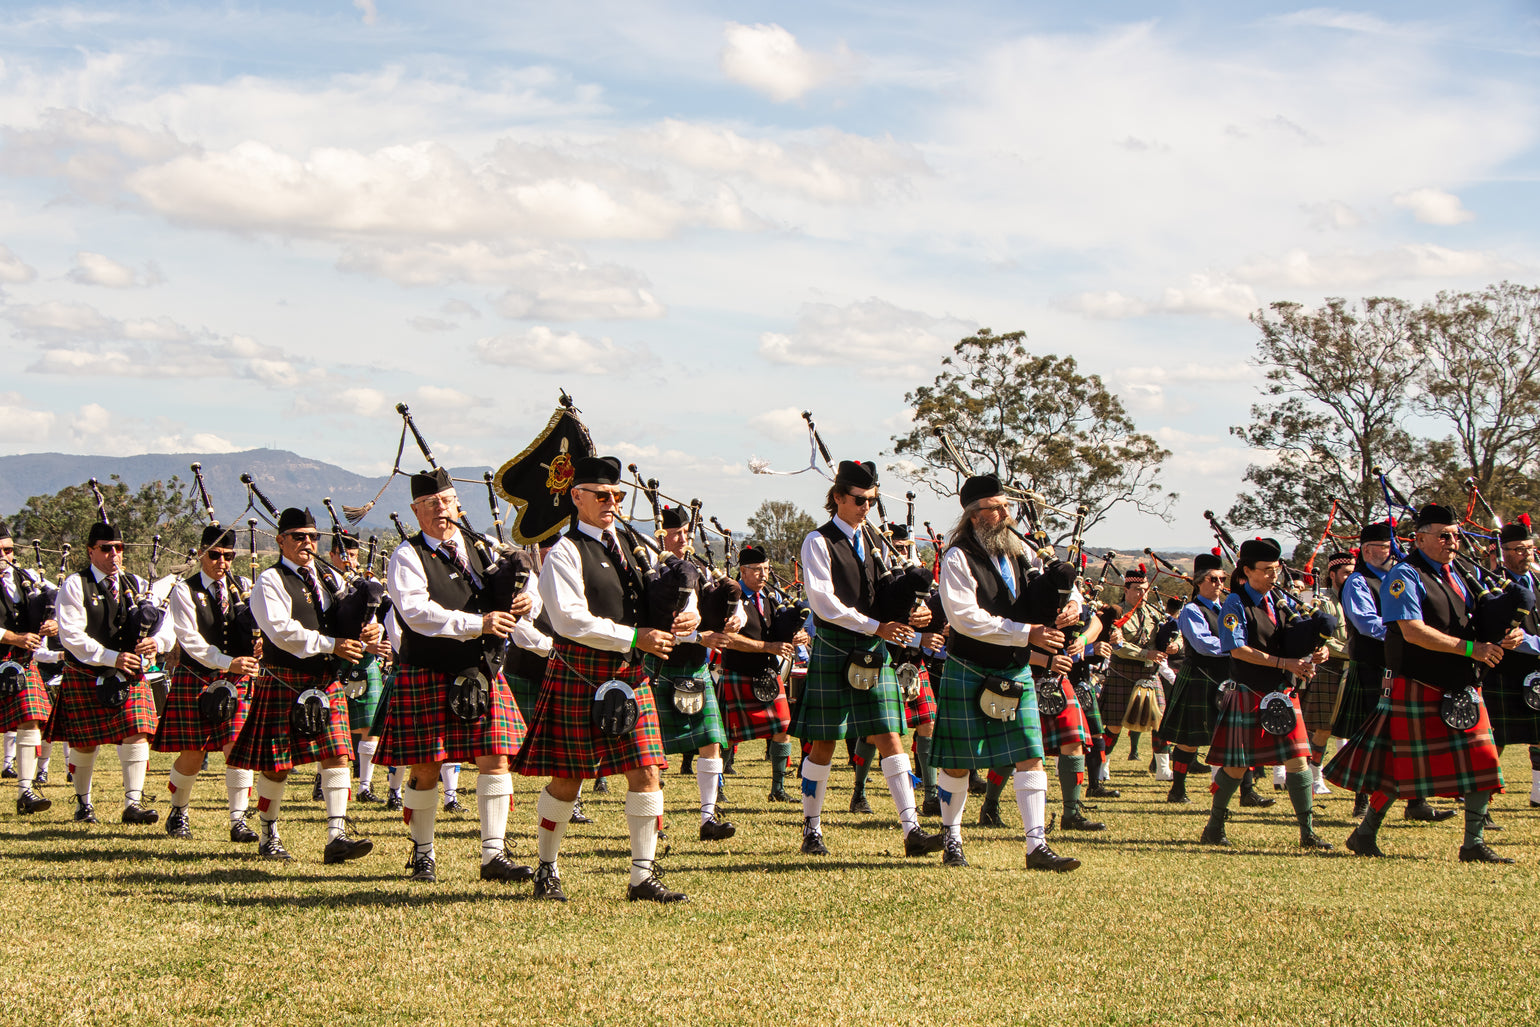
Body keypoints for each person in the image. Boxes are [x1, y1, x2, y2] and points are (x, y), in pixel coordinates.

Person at [512, 456, 690, 902]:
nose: (612, 503)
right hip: (581, 673)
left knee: (647, 772)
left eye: (618, 496)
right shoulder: (566, 552)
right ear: (577, 498)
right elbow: (569, 621)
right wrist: (635, 635)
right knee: (567, 780)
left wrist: (687, 614)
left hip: (629, 675)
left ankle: (642, 877)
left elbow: (666, 593)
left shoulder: (634, 546)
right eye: (603, 495)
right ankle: (547, 868)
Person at [1328, 504, 1518, 863]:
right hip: (1418, 681)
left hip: (1462, 683)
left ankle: (1473, 843)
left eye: (1456, 535)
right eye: (1444, 535)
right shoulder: (1405, 575)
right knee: (1396, 770)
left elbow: (1472, 619)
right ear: (1420, 538)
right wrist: (1471, 649)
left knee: (1484, 760)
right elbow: (1411, 631)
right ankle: (1365, 833)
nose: (1453, 542)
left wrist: (1504, 635)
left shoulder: (1458, 573)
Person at [379, 468, 534, 884]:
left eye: (446, 501)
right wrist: (477, 623)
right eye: (430, 504)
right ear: (416, 511)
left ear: (457, 504)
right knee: (427, 766)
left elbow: (526, 587)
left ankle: (493, 854)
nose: (441, 510)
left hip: (482, 670)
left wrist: (525, 599)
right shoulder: (407, 555)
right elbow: (415, 612)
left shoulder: (482, 547)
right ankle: (423, 853)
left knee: (496, 760)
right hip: (429, 669)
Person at [789, 460, 943, 860]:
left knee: (892, 735)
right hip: (838, 649)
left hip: (874, 654)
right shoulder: (817, 541)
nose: (866, 508)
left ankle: (912, 830)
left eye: (872, 501)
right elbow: (824, 603)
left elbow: (887, 595)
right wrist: (876, 627)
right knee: (823, 744)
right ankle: (812, 828)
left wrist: (915, 612)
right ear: (838, 497)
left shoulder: (875, 541)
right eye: (859, 500)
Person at [930, 474, 1083, 870]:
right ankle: (952, 839)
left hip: (1015, 671)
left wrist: (1073, 606)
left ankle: (1036, 847)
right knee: (959, 762)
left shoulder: (1021, 552)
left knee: (1031, 755)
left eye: (1006, 506)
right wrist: (1026, 633)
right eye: (995, 508)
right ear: (974, 515)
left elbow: (1056, 583)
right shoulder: (958, 557)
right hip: (970, 666)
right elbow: (965, 619)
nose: (1005, 514)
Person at [228, 507, 374, 864]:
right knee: (277, 765)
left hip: (326, 681)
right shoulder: (270, 581)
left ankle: (336, 836)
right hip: (286, 679)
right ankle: (268, 833)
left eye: (313, 537)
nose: (307, 543)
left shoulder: (329, 577)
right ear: (280, 541)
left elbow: (348, 616)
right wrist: (330, 644)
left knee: (339, 754)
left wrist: (371, 630)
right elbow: (281, 631)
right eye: (298, 537)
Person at [1200, 537, 1332, 852]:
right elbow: (1238, 649)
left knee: (1298, 759)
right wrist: (1283, 662)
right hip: (1250, 690)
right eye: (1267, 570)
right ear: (1247, 571)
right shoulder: (1235, 603)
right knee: (1236, 766)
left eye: (1277, 569)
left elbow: (1293, 637)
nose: (1274, 576)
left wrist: (1317, 651)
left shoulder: (1279, 602)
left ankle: (1307, 831)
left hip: (1283, 691)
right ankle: (1214, 826)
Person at [50, 520, 175, 825]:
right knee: (84, 742)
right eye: (106, 549)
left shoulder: (134, 583)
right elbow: (71, 636)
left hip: (131, 673)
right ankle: (83, 804)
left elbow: (167, 625)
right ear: (91, 551)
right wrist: (111, 658)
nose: (114, 554)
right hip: (87, 673)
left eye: (119, 548)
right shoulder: (75, 584)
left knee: (137, 730)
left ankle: (133, 803)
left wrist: (156, 643)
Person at [1333, 522, 1452, 823]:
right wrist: (1406, 632)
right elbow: (1365, 623)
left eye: (1390, 547)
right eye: (1383, 548)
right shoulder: (1358, 582)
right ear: (1366, 550)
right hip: (1372, 665)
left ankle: (1416, 802)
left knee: (1409, 734)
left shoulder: (1404, 578)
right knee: (1370, 735)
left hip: (1402, 665)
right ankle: (1362, 801)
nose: (1389, 553)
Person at [154, 524, 260, 842]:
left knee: (236, 749)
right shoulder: (184, 591)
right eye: (215, 555)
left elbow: (265, 624)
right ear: (201, 553)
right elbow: (191, 642)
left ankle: (238, 820)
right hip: (197, 677)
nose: (221, 562)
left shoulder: (245, 587)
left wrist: (262, 644)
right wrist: (229, 661)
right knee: (192, 756)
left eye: (228, 556)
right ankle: (178, 811)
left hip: (237, 680)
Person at [646, 505, 740, 843]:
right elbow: (657, 620)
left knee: (710, 742)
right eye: (675, 533)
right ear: (660, 534)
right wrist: (700, 636)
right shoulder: (650, 570)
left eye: (685, 532)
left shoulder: (700, 568)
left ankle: (708, 817)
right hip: (659, 665)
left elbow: (719, 604)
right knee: (651, 751)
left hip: (695, 665)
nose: (682, 538)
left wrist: (734, 617)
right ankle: (653, 821)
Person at [711, 545, 805, 803]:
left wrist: (794, 637)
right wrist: (769, 647)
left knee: (783, 728)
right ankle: (717, 788)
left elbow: (775, 634)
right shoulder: (731, 597)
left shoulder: (769, 600)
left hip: (768, 675)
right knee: (726, 737)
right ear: (743, 570)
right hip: (738, 672)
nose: (764, 575)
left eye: (766, 569)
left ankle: (778, 788)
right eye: (757, 570)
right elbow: (728, 639)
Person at [1155, 551, 1228, 804]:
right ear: (1198, 582)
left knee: (1232, 736)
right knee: (1189, 740)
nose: (1219, 584)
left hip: (1226, 678)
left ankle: (1245, 791)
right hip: (1199, 677)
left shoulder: (1228, 608)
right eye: (1213, 579)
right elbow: (1203, 644)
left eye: (1221, 579)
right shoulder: (1191, 611)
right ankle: (1177, 789)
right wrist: (1237, 647)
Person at [323, 531, 388, 804]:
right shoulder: (322, 582)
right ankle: (321, 779)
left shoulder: (367, 584)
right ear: (332, 556)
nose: (349, 559)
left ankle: (364, 786)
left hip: (365, 661)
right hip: (335, 657)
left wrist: (378, 636)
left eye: (352, 555)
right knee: (329, 726)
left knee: (369, 727)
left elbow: (380, 619)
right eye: (343, 555)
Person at [0, 522, 57, 816]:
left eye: (8, 550)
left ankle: (25, 791)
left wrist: (52, 623)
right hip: (7, 652)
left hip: (21, 663)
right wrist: (13, 637)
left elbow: (54, 604)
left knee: (32, 720)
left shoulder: (26, 578)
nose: (3, 556)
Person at [1483, 517, 1540, 805]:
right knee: (1495, 737)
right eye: (1518, 549)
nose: (1526, 554)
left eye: (1529, 548)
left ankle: (1538, 794)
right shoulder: (1492, 583)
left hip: (1536, 668)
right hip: (1503, 667)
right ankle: (1483, 798)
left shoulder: (1537, 579)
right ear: (1503, 552)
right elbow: (1504, 629)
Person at [1100, 566, 1174, 774]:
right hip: (1122, 671)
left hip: (1149, 673)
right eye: (1137, 589)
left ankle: (1163, 769)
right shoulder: (1116, 612)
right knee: (1114, 725)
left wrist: (1174, 644)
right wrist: (1145, 654)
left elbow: (1172, 632)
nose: (1142, 593)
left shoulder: (1153, 613)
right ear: (1126, 590)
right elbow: (1118, 645)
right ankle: (1102, 768)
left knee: (1160, 720)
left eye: (1145, 589)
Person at [1301, 555, 1352, 796]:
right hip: (1331, 667)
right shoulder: (1321, 599)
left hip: (1356, 669)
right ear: (1332, 575)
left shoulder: (1362, 597)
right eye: (1346, 573)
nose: (1350, 577)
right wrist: (1350, 650)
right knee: (1323, 728)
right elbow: (1320, 636)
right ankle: (1315, 775)